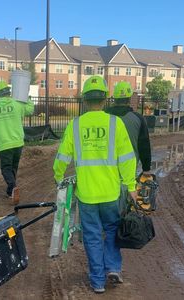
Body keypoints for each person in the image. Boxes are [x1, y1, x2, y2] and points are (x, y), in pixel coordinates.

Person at [53, 76, 137, 294]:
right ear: (105, 99)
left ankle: (98, 281)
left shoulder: (76, 125)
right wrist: (131, 186)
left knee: (91, 236)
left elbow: (62, 156)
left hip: (87, 194)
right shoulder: (114, 124)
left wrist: (58, 177)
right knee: (111, 230)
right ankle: (114, 267)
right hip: (110, 193)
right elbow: (128, 158)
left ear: (84, 100)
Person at [0, 81, 34, 205]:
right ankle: (10, 191)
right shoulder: (17, 104)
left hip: (4, 143)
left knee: (5, 169)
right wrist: (27, 97)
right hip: (18, 142)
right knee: (13, 167)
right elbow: (30, 110)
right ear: (8, 92)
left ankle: (13, 187)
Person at [105, 81, 152, 175]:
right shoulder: (138, 119)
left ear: (114, 98)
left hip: (105, 168)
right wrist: (146, 169)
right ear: (129, 99)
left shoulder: (103, 116)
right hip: (128, 169)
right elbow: (144, 145)